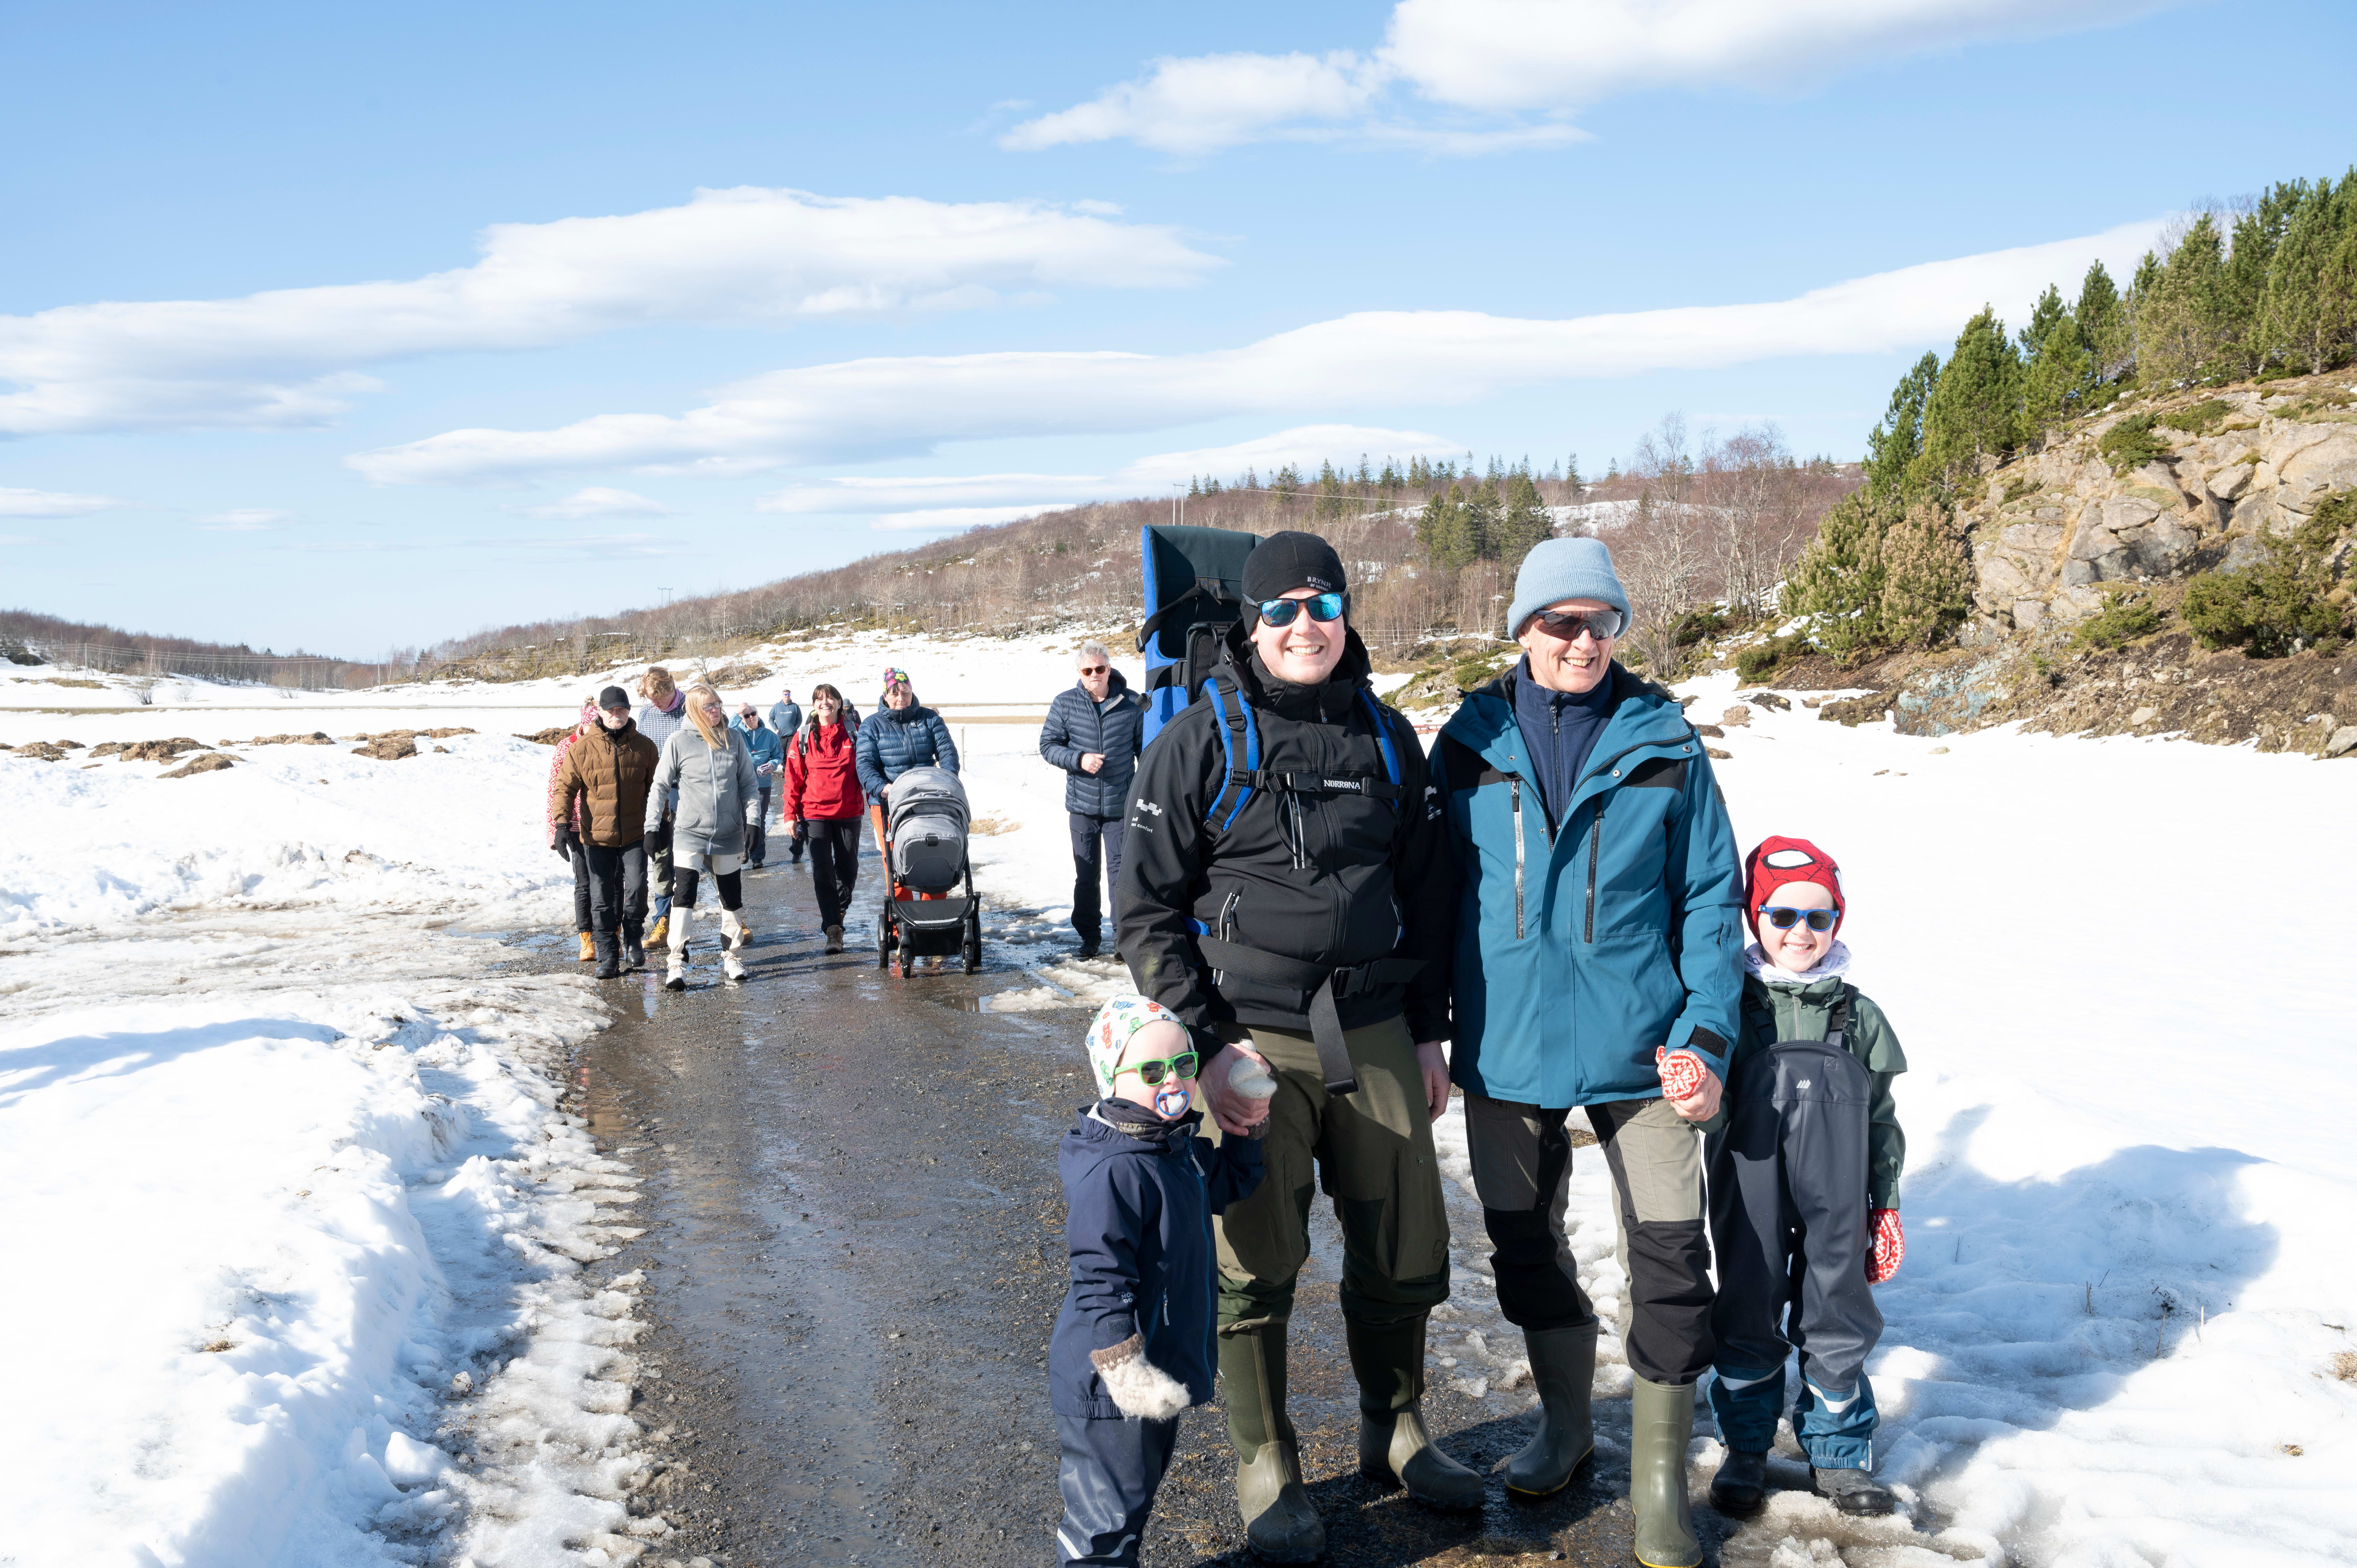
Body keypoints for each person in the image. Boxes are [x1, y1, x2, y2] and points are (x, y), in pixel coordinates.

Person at [1116, 530, 1467, 1561]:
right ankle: (1266, 1467)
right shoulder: (1198, 741)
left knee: (1406, 1254)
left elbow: (1432, 894)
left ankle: (1395, 1427)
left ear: (1348, 614)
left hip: (1376, 1029)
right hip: (1249, 1041)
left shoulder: (1391, 738)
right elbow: (1146, 911)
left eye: (1323, 604)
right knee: (1253, 1271)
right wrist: (1208, 1047)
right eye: (1281, 609)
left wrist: (1432, 1029)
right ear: (1251, 624)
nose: (1304, 625)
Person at [1433, 535, 1741, 1568]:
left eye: (1599, 621)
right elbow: (1435, 895)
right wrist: (1432, 1024)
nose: (1581, 640)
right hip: (1506, 1046)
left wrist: (1704, 1030)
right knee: (1524, 1243)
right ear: (1521, 629)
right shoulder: (1469, 740)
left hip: (1646, 1052)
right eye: (1560, 622)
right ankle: (1565, 1428)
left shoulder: (1664, 739)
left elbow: (1710, 897)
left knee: (1668, 1258)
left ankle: (1658, 1485)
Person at [1701, 837, 1907, 1519]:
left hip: (1839, 1200)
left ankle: (1839, 1455)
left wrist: (1887, 1204)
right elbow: (1707, 1104)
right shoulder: (1730, 1005)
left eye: (1817, 918)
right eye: (1782, 914)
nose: (1800, 932)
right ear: (1754, 915)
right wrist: (1692, 1087)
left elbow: (1880, 1119)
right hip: (1749, 1185)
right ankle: (1746, 1447)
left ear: (1836, 923)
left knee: (1836, 1310)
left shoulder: (1859, 1016)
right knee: (1748, 1304)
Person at [1050, 995, 1265, 1567]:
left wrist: (1247, 1125)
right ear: (1112, 1079)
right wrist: (1124, 1369)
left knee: (1134, 1500)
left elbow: (1230, 1186)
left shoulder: (1176, 1149)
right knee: (1105, 1516)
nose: (1172, 1081)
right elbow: (1099, 1278)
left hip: (1156, 1368)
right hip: (1113, 1382)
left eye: (1184, 1067)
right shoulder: (1119, 1168)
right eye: (1151, 1072)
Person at [646, 682, 761, 989]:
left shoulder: (734, 739)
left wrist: (754, 823)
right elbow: (659, 787)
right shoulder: (678, 742)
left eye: (718, 704)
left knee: (731, 896)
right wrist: (651, 827)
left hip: (728, 833)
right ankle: (676, 962)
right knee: (684, 895)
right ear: (695, 710)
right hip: (689, 832)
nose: (716, 710)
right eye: (709, 706)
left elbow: (749, 785)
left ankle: (732, 956)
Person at [1039, 641, 1143, 960]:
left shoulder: (1132, 704)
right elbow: (1048, 746)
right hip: (1082, 807)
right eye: (1088, 671)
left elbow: (1146, 753)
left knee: (1120, 875)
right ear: (1080, 675)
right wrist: (1079, 759)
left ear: (1109, 669)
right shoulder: (1066, 704)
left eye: (1100, 668)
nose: (1095, 675)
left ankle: (1121, 940)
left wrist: (1143, 792)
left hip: (1119, 807)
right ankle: (1089, 938)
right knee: (1086, 876)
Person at [548, 685, 660, 979]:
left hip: (635, 835)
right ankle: (608, 954)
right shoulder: (582, 748)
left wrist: (661, 826)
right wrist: (561, 825)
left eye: (622, 710)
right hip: (596, 838)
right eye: (611, 710)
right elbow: (564, 788)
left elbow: (657, 790)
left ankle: (634, 938)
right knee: (601, 897)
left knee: (637, 889)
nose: (617, 715)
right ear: (600, 712)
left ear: (628, 712)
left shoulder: (645, 747)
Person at [856, 668, 960, 964]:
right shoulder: (872, 726)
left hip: (929, 801)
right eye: (894, 692)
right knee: (898, 868)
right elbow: (864, 765)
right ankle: (904, 929)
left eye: (905, 691)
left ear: (912, 691)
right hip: (889, 805)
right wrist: (883, 788)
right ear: (885, 695)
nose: (900, 697)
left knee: (934, 861)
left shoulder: (930, 719)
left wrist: (945, 781)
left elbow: (948, 754)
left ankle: (933, 928)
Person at [783, 683, 864, 953]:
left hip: (849, 812)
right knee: (821, 870)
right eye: (819, 699)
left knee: (848, 869)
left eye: (830, 698)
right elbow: (792, 778)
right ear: (814, 706)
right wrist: (790, 815)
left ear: (840, 704)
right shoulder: (803, 737)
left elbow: (868, 767)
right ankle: (833, 928)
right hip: (814, 813)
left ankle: (836, 913)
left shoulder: (855, 733)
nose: (825, 702)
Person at [636, 667, 688, 948]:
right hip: (660, 798)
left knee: (707, 856)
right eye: (650, 697)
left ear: (671, 688)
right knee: (661, 858)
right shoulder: (645, 715)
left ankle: (733, 915)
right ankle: (663, 920)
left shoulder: (691, 708)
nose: (655, 702)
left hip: (692, 795)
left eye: (659, 696)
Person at [546, 696, 601, 962]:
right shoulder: (565, 748)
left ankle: (612, 935)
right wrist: (557, 829)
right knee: (584, 882)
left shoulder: (606, 743)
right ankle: (587, 939)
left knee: (612, 881)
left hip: (605, 824)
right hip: (577, 825)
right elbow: (555, 791)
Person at [731, 702, 784, 869]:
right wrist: (737, 712)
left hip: (762, 785)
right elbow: (726, 729)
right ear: (742, 719)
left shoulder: (769, 735)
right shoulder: (737, 733)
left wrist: (772, 766)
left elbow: (778, 755)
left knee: (759, 820)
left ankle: (757, 856)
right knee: (741, 820)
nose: (751, 717)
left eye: (753, 713)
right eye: (746, 716)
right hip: (740, 784)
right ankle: (742, 850)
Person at [768, 687, 806, 859]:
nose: (787, 696)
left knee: (792, 754)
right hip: (781, 735)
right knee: (785, 757)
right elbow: (770, 718)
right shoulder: (777, 706)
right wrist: (776, 729)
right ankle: (785, 769)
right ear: (782, 695)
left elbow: (799, 719)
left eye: (789, 694)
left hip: (792, 734)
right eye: (785, 694)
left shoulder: (795, 707)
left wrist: (796, 728)